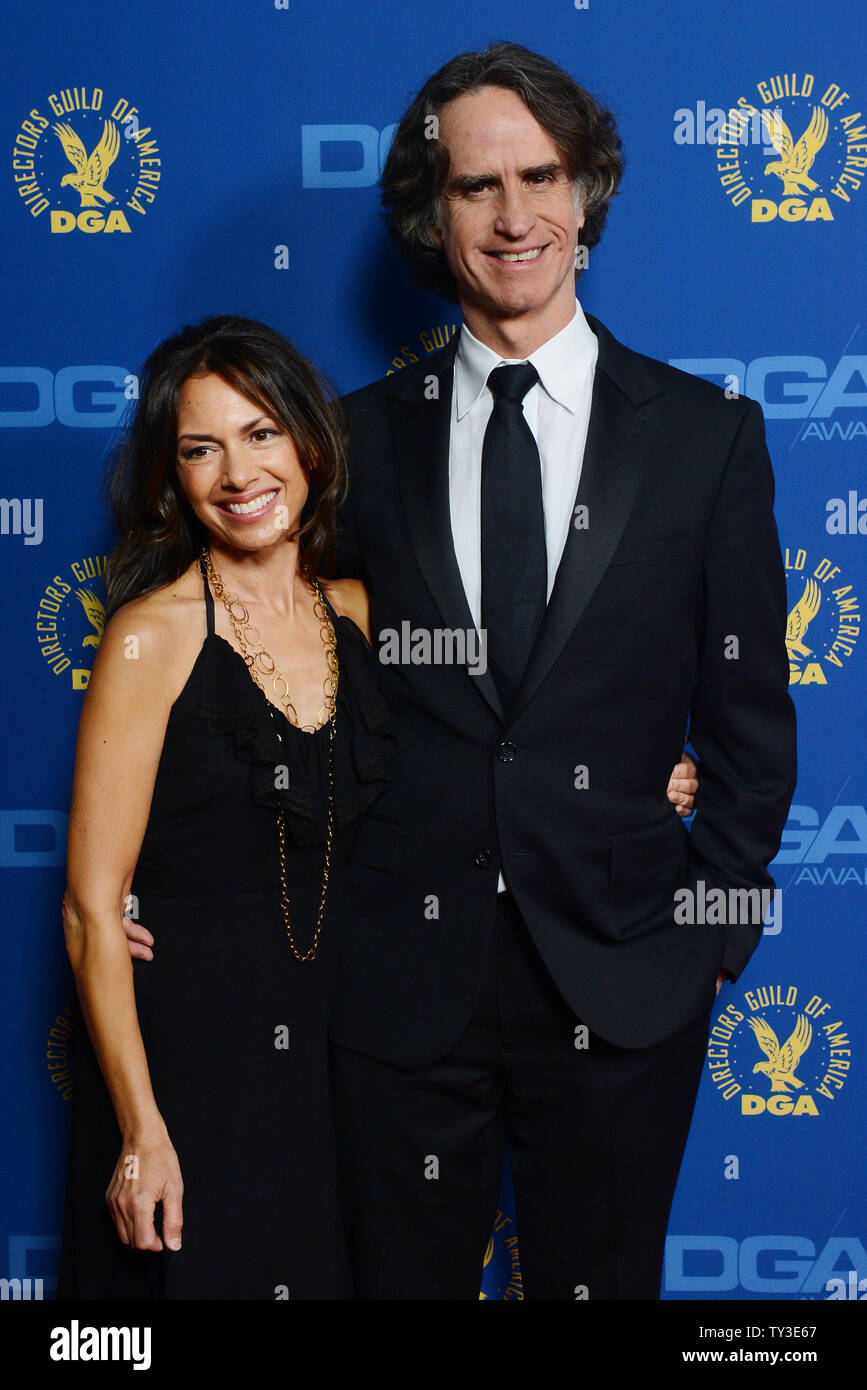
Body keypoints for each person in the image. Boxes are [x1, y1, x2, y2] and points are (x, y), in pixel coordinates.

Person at [320, 42, 797, 1300]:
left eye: (542, 175)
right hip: (401, 983)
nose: (515, 215)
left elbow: (750, 720)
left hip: (630, 973)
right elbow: (285, 684)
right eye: (478, 187)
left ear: (587, 193)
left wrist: (707, 938)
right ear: (434, 213)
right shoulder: (356, 439)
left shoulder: (706, 438)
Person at [58, 316, 393, 1299]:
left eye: (259, 434)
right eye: (200, 448)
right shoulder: (147, 639)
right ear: (173, 476)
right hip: (191, 1066)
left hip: (338, 1057)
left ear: (310, 443)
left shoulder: (361, 613)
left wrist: (646, 776)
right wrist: (139, 1131)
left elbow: (484, 760)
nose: (236, 472)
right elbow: (91, 910)